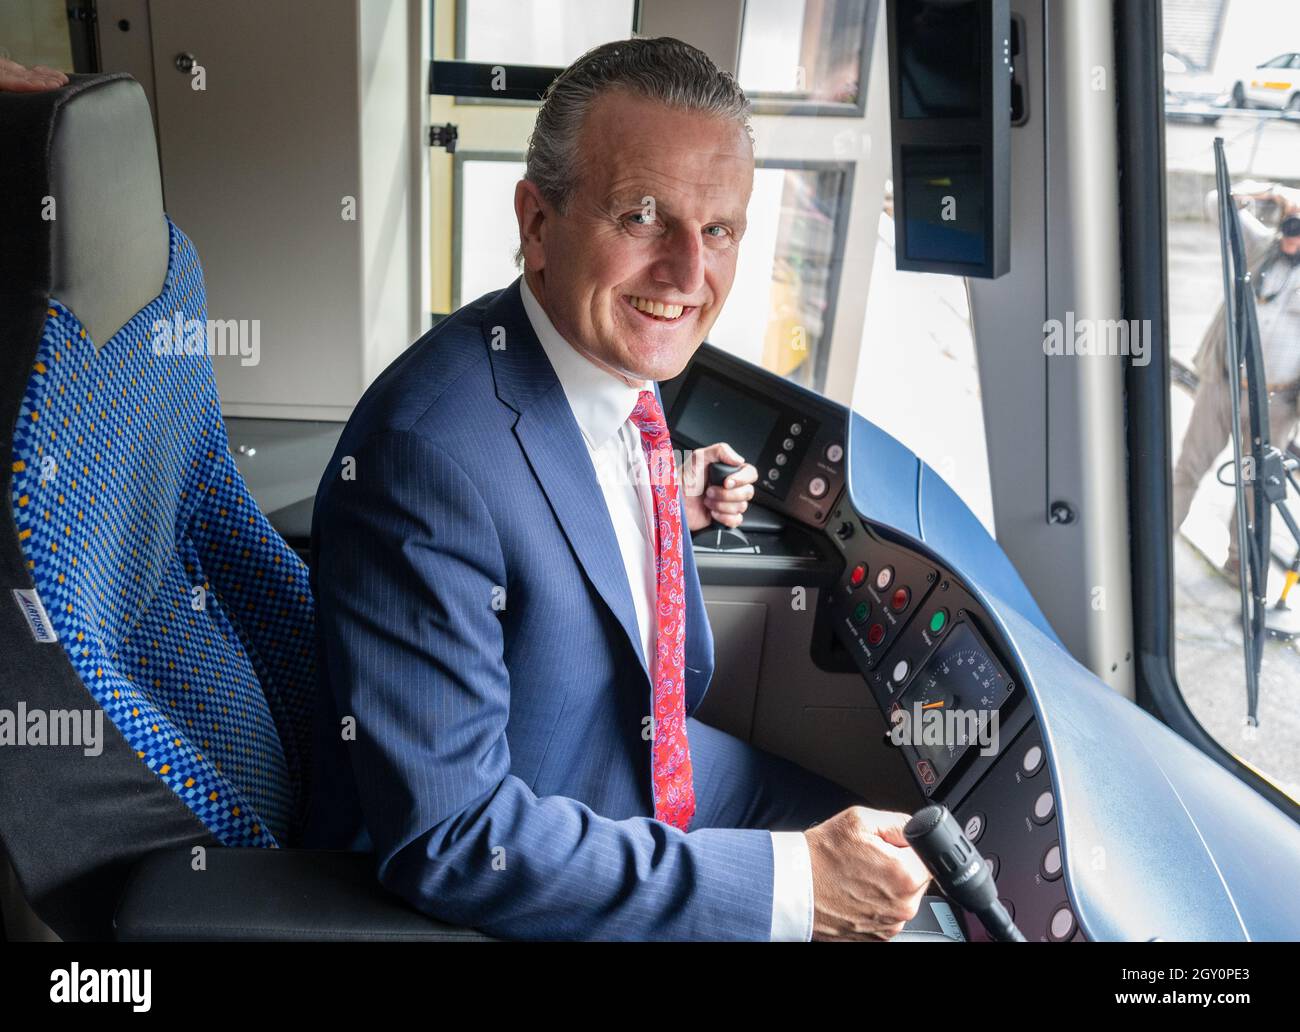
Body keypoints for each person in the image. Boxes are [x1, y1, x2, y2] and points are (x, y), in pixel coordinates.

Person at [303, 37, 930, 940]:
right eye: (642, 217)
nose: (687, 276)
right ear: (536, 222)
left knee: (918, 874)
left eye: (719, 232)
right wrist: (791, 888)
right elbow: (449, 837)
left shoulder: (605, 383)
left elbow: (557, 506)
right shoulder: (423, 462)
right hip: (525, 856)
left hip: (641, 765)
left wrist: (669, 485)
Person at [1173, 183, 1300, 579]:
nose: (1293, 239)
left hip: (1277, 403)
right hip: (1222, 386)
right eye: (1292, 228)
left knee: (1254, 487)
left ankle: (1239, 565)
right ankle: (1154, 545)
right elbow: (1216, 201)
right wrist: (1272, 193)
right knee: (1187, 468)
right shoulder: (1261, 246)